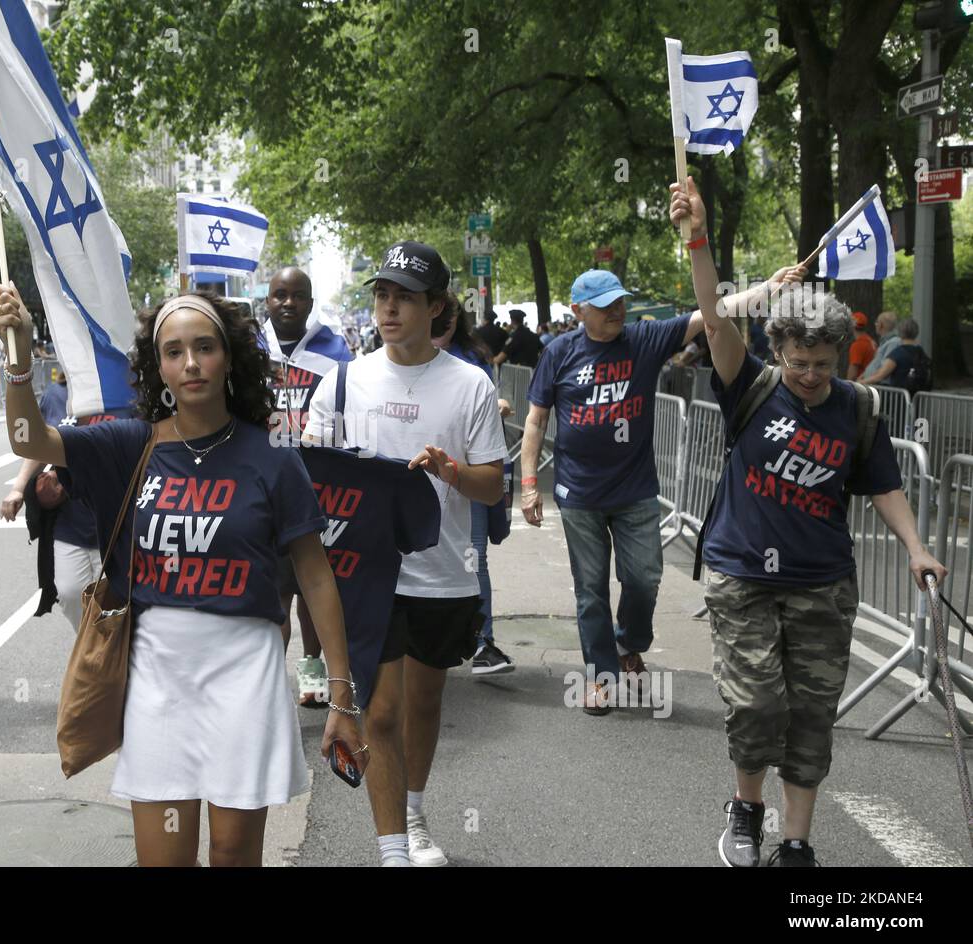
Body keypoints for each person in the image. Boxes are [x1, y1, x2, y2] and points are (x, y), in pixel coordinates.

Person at [0, 283, 365, 868]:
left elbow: (317, 578)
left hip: (246, 673)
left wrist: (342, 696)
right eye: (174, 351)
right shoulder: (130, 445)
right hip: (157, 678)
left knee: (234, 853)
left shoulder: (272, 456)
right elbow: (27, 439)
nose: (191, 363)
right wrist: (17, 355)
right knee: (164, 858)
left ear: (229, 358)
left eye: (204, 347)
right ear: (158, 367)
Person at [671, 180, 947, 867]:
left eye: (823, 365)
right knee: (757, 705)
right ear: (779, 350)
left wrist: (917, 548)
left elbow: (884, 485)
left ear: (841, 356)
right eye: (799, 363)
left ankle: (795, 843)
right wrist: (697, 237)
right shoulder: (752, 384)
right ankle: (746, 810)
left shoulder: (857, 408)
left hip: (822, 582)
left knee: (812, 717)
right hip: (742, 575)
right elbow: (713, 316)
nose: (811, 376)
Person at [519, 259, 795, 714]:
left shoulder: (644, 339)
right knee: (590, 590)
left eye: (620, 302)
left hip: (635, 491)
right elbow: (536, 420)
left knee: (644, 579)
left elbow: (712, 312)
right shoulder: (559, 352)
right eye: (605, 305)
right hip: (578, 494)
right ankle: (601, 677)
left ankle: (629, 643)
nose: (617, 311)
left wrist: (767, 287)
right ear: (577, 310)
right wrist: (529, 483)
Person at [306, 241, 507, 867]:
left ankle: (413, 810)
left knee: (423, 702)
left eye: (405, 298)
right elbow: (313, 473)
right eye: (383, 296)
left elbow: (492, 485)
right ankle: (395, 846)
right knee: (384, 711)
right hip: (366, 575)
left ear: (436, 307)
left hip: (443, 573)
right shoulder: (343, 382)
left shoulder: (470, 384)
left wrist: (451, 471)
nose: (389, 309)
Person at [261, 266, 353, 706]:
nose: (288, 303)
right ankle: (269, 682)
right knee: (276, 590)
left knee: (312, 585)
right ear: (267, 300)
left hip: (320, 488)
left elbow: (350, 413)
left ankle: (313, 668)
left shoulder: (334, 351)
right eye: (280, 294)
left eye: (298, 295)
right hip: (264, 487)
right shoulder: (249, 349)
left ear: (310, 303)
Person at [0, 369, 129, 628]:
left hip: (118, 518)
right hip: (70, 518)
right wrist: (19, 487)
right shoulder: (56, 394)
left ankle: (109, 649)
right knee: (70, 593)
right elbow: (40, 443)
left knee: (118, 599)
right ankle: (91, 645)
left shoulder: (126, 391)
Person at [431, 296, 515, 677]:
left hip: (470, 478)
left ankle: (483, 642)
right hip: (420, 480)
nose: (440, 321)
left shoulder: (473, 362)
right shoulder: (397, 359)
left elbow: (486, 408)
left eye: (447, 314)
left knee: (474, 557)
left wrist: (496, 407)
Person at [860, 319, 929, 394]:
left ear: (900, 332)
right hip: (918, 397)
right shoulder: (922, 352)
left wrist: (859, 383)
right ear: (916, 333)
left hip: (899, 398)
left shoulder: (897, 353)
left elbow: (880, 376)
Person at [863, 311, 899, 379]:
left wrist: (865, 381)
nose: (875, 324)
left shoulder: (893, 342)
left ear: (881, 325)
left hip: (878, 383)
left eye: (877, 322)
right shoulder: (885, 342)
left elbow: (884, 369)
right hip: (871, 382)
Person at [845, 312, 875, 381]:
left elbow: (853, 373)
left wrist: (847, 385)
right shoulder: (871, 342)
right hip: (870, 382)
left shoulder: (858, 345)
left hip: (861, 383)